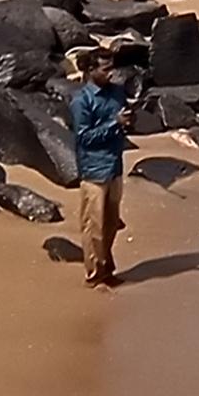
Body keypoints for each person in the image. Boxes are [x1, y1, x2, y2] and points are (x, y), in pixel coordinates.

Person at [66, 48, 133, 286]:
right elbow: (83, 137)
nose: (111, 73)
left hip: (114, 165)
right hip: (93, 169)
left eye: (111, 68)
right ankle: (94, 274)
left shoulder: (116, 92)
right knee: (93, 224)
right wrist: (115, 123)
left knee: (112, 222)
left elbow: (123, 119)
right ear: (90, 70)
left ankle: (106, 266)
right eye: (105, 69)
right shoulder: (81, 101)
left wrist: (126, 120)